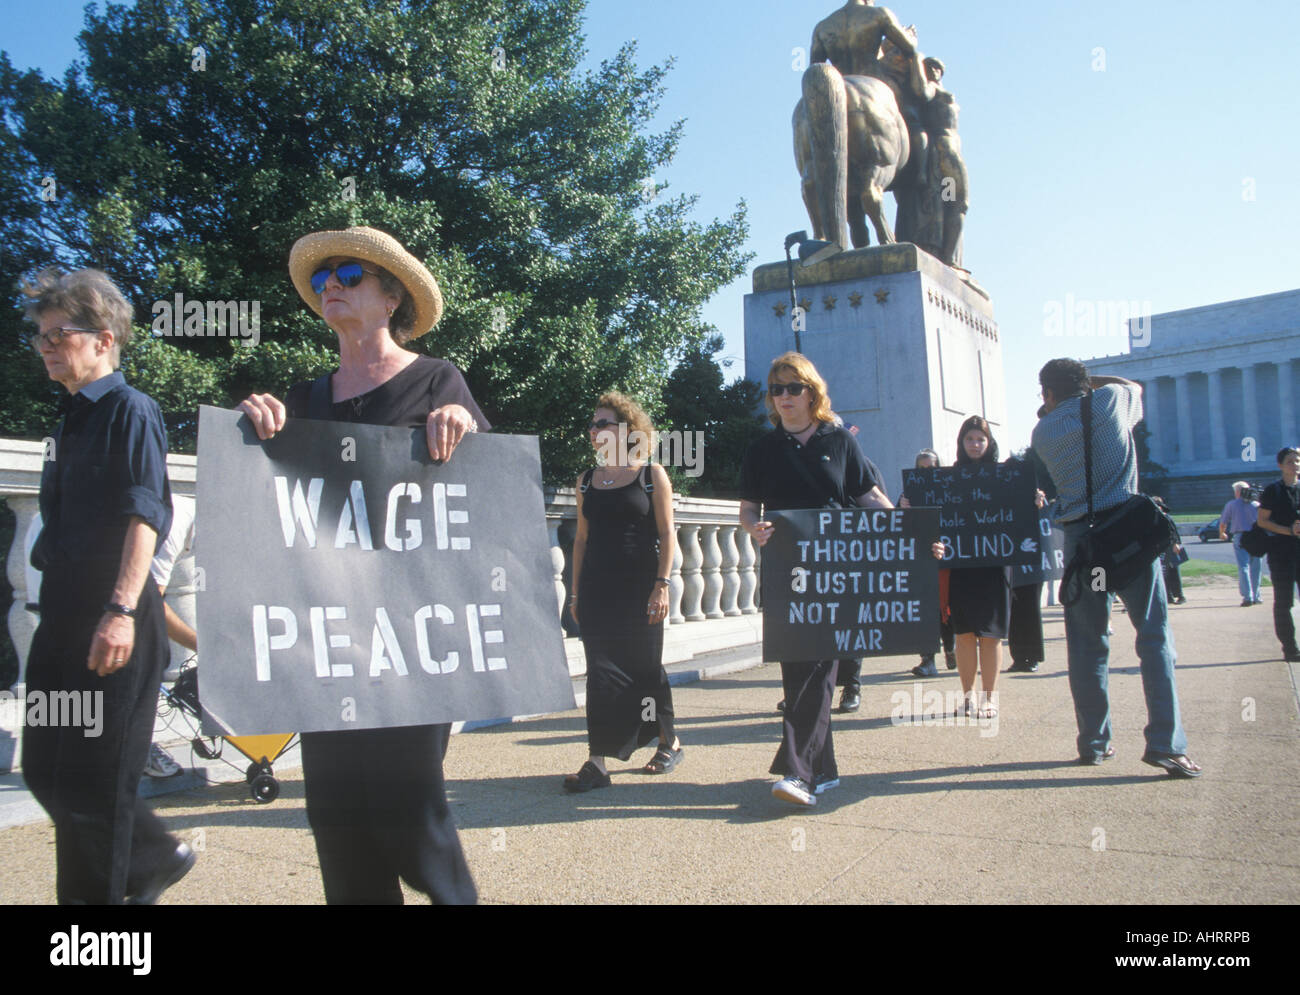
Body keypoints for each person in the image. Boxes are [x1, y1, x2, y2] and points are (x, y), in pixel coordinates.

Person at [238, 226, 486, 903]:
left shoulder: (439, 381)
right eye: (323, 281)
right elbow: (274, 509)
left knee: (412, 812)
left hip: (412, 640)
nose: (332, 288)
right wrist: (250, 430)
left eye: (348, 274)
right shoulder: (304, 399)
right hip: (330, 642)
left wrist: (463, 432)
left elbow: (485, 507)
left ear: (392, 294)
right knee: (338, 816)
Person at [21, 267, 193, 904]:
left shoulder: (132, 410)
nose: (44, 347)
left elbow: (144, 513)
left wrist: (120, 609)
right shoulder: (68, 424)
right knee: (46, 771)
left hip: (113, 616)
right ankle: (152, 856)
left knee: (95, 785)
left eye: (57, 334)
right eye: (39, 337)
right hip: (63, 617)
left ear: (103, 339)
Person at [740, 352, 937, 807]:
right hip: (787, 570)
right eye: (776, 389)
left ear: (813, 392)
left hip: (835, 569)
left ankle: (798, 772)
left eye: (793, 388)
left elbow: (869, 495)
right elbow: (749, 507)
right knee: (798, 668)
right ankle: (823, 770)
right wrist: (754, 527)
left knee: (819, 670)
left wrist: (912, 535)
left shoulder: (839, 442)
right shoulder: (761, 450)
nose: (784, 397)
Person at [1032, 358, 1201, 777]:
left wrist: (1061, 398)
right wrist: (1093, 382)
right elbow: (1133, 386)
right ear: (1085, 384)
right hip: (1128, 538)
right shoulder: (1110, 400)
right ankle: (1166, 743)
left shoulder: (1043, 431)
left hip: (1086, 547)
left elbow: (1053, 412)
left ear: (1047, 394)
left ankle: (1094, 741)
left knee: (1089, 644)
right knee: (1154, 636)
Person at [564, 394, 679, 791]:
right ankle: (597, 762)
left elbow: (667, 534)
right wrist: (575, 594)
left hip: (641, 587)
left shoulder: (650, 474)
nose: (593, 431)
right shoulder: (585, 480)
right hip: (597, 589)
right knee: (599, 671)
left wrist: (661, 585)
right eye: (592, 425)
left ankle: (668, 740)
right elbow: (581, 539)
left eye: (603, 424)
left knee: (645, 667)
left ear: (626, 430)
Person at [943, 416, 1016, 719]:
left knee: (991, 635)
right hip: (960, 566)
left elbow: (1021, 510)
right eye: (969, 439)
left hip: (995, 565)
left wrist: (1034, 499)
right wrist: (910, 505)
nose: (975, 444)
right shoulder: (946, 479)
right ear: (961, 443)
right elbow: (931, 513)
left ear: (989, 443)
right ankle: (968, 696)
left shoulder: (1005, 476)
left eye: (980, 439)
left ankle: (989, 696)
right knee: (963, 634)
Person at [908, 448, 956, 677]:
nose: (926, 472)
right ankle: (928, 659)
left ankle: (950, 648)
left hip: (944, 558)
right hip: (919, 559)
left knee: (944, 608)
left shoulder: (949, 490)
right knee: (925, 610)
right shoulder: (908, 493)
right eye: (921, 468)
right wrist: (903, 509)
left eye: (931, 467)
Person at [1256, 449, 1300, 661]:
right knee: (1284, 602)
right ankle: (1290, 648)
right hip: (1282, 552)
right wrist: (1289, 530)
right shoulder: (1273, 491)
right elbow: (1262, 521)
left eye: (1298, 460)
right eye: (1290, 461)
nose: (1295, 464)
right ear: (1280, 466)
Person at [1220, 481, 1264, 606]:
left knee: (1244, 567)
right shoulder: (1256, 504)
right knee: (1256, 567)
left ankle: (1247, 596)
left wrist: (1222, 533)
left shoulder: (1232, 504)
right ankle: (1256, 596)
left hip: (1241, 535)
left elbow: (1223, 522)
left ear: (1237, 492)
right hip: (1256, 536)